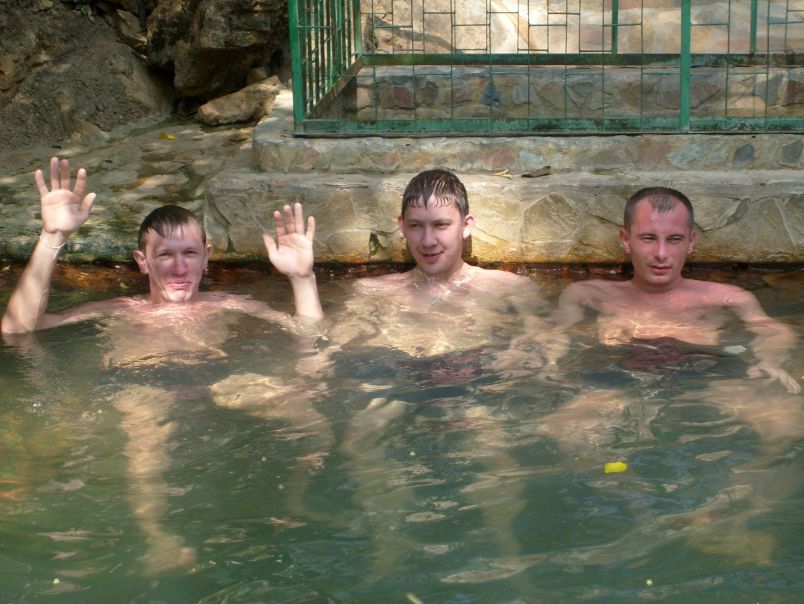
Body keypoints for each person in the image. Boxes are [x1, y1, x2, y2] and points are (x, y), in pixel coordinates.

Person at [1, 157, 328, 573]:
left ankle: (293, 506)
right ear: (142, 261)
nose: (179, 267)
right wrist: (52, 237)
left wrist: (302, 279)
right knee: (147, 444)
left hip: (215, 375)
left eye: (189, 253)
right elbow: (18, 330)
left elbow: (311, 335)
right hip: (141, 379)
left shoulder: (230, 303)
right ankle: (159, 537)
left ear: (207, 257)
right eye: (165, 255)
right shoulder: (119, 309)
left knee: (310, 418)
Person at [530, 186, 803, 565]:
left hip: (705, 376)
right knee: (565, 428)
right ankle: (640, 505)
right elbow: (556, 333)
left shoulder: (726, 297)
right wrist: (548, 357)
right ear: (626, 239)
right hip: (622, 376)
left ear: (691, 242)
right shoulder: (588, 294)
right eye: (648, 238)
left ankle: (734, 510)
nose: (661, 254)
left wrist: (769, 360)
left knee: (790, 424)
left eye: (673, 240)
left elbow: (774, 331)